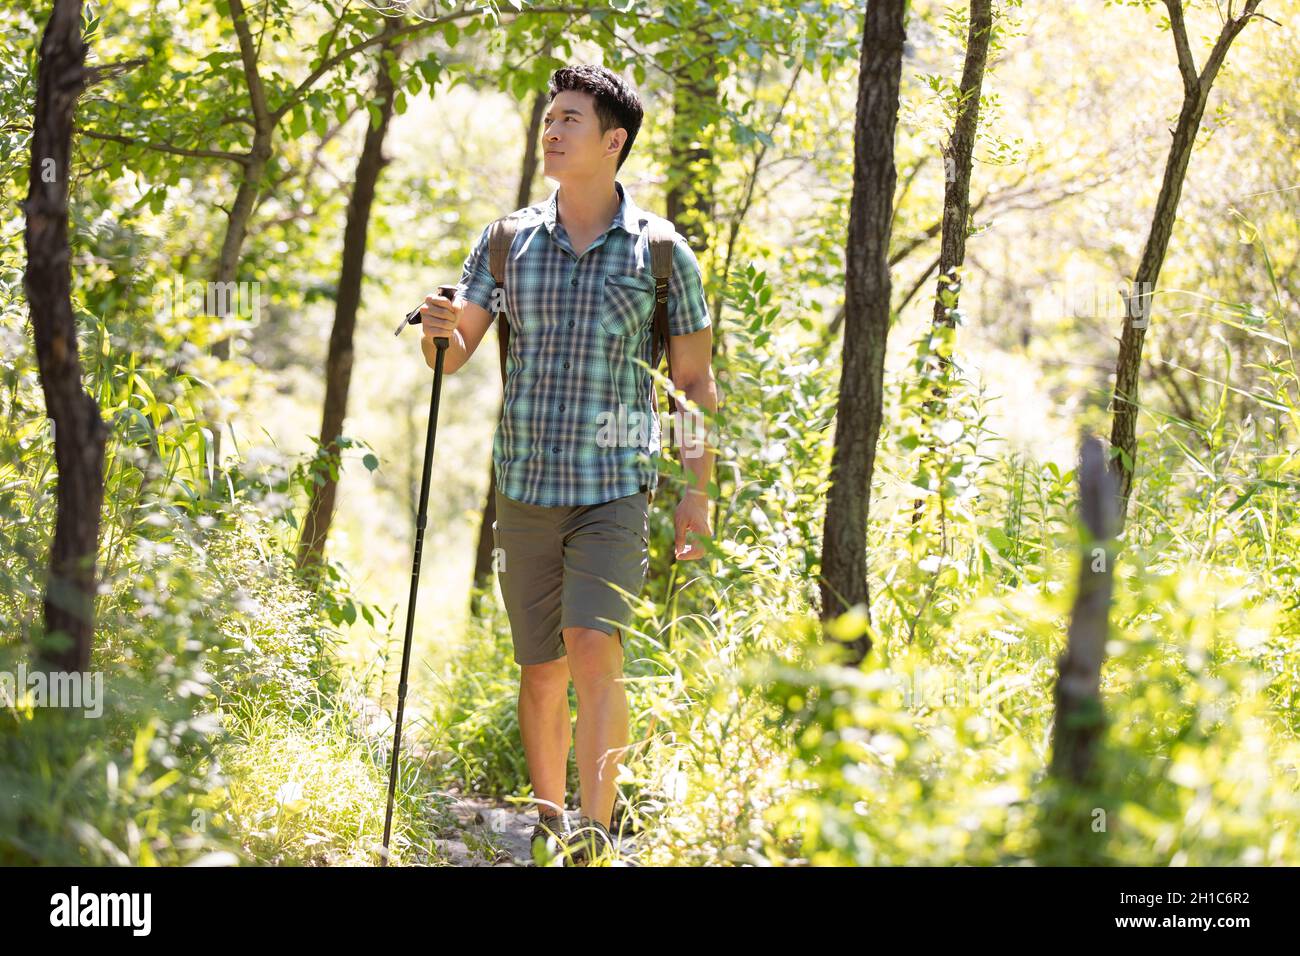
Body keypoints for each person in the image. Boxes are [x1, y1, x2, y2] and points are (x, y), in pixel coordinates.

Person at [417, 64, 718, 864]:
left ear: (613, 141)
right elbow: (455, 355)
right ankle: (549, 825)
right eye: (548, 118)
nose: (551, 131)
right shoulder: (509, 240)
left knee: (594, 646)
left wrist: (698, 495)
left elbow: (692, 384)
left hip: (616, 482)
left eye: (570, 120)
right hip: (525, 484)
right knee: (542, 668)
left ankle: (594, 833)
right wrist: (438, 327)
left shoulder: (661, 253)